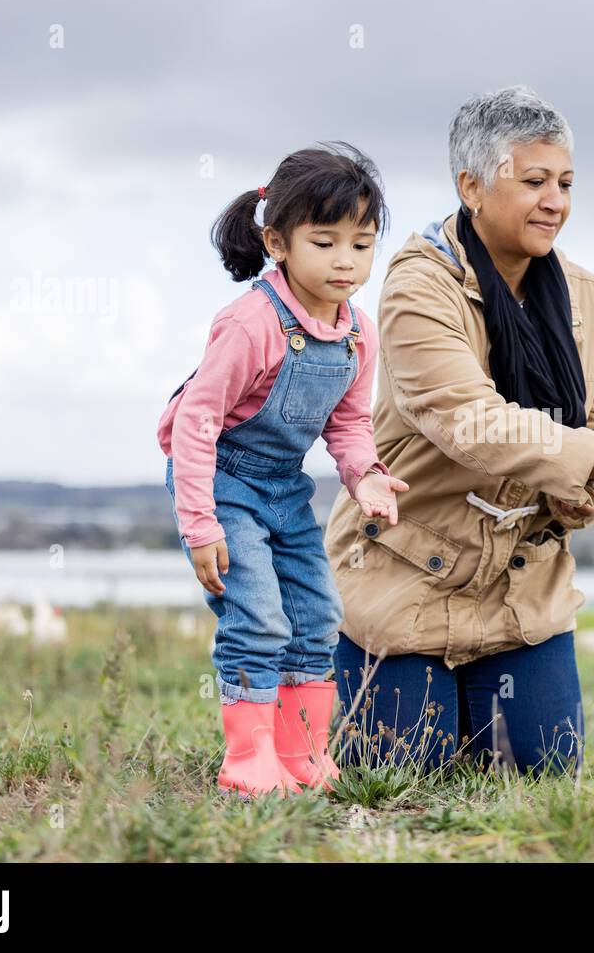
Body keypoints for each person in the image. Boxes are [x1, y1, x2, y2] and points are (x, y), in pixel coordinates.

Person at [321, 87, 594, 778]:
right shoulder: (418, 285)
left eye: (567, 183)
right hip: (407, 576)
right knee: (396, 770)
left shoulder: (588, 300)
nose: (556, 201)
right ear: (472, 186)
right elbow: (468, 417)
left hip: (523, 592)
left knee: (543, 771)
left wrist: (589, 491)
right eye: (535, 180)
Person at [157, 142, 410, 796]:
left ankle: (302, 755)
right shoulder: (251, 324)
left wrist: (367, 475)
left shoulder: (358, 332)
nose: (345, 261)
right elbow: (196, 422)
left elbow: (348, 426)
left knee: (318, 613)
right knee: (260, 616)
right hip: (220, 482)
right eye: (324, 242)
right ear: (277, 241)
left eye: (362, 243)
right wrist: (201, 522)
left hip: (284, 491)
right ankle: (249, 761)